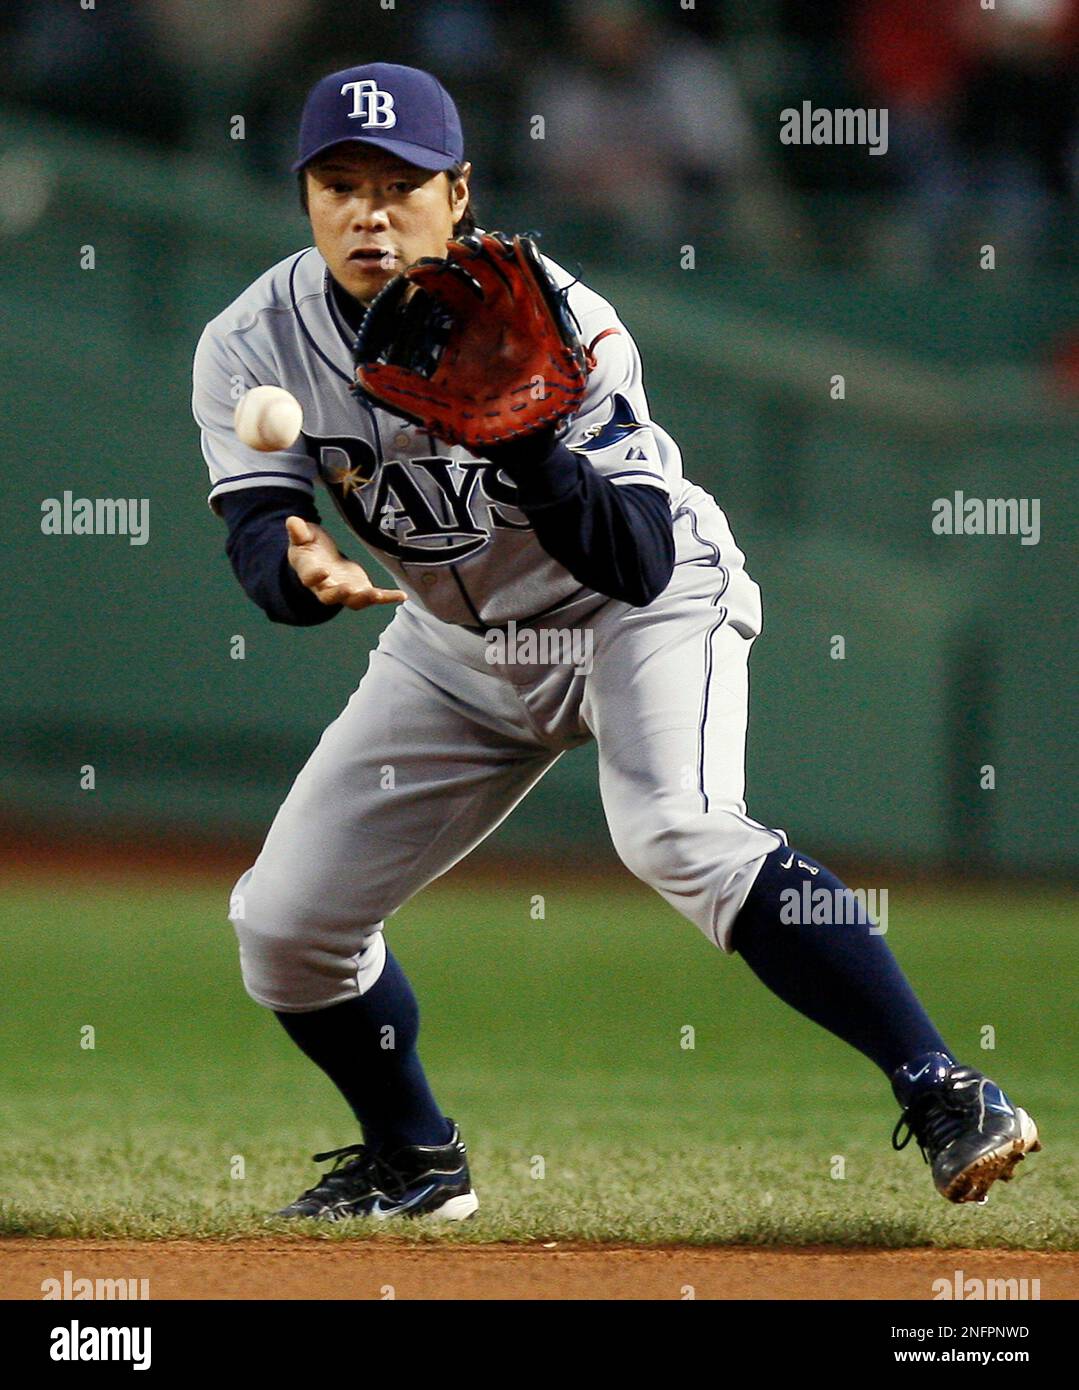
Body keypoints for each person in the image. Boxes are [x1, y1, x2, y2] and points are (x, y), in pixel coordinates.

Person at [192, 62, 1040, 1222]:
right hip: (456, 647)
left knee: (679, 831)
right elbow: (259, 536)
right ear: (304, 197)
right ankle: (413, 1161)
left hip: (638, 610)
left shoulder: (557, 316)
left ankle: (944, 1088)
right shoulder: (250, 343)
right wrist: (296, 571)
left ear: (459, 192)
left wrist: (531, 443)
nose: (369, 212)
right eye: (339, 183)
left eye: (401, 184)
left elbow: (635, 555)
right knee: (283, 926)